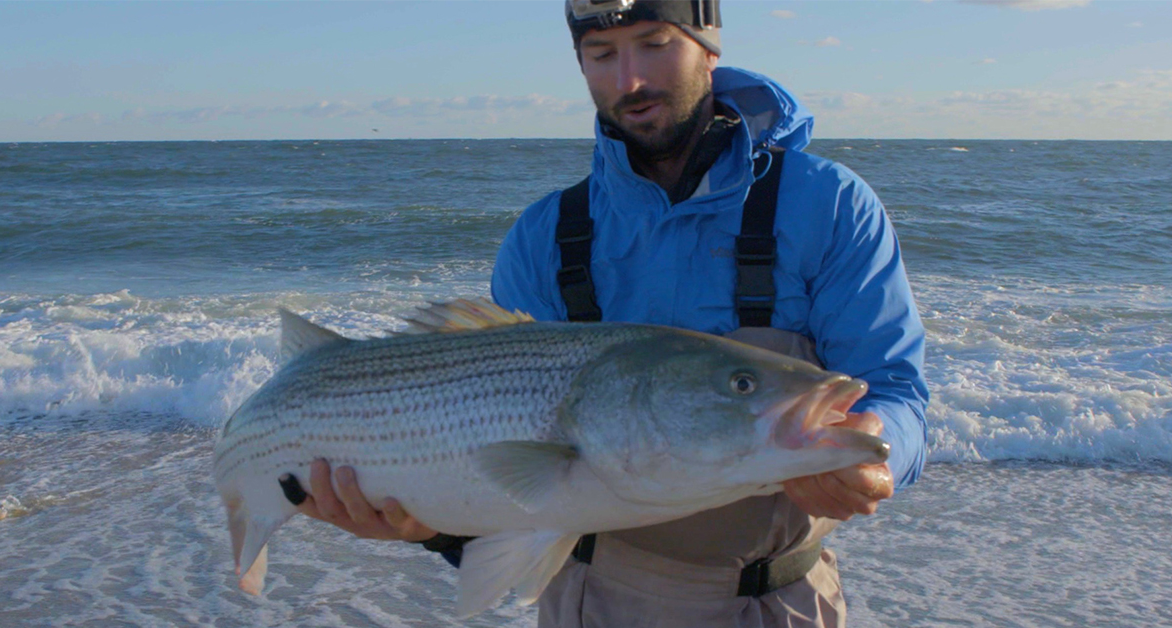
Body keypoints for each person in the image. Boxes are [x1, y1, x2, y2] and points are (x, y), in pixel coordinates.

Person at [282, 1, 928, 626]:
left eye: (654, 44)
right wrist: (432, 529)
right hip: (591, 602)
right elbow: (503, 483)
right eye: (601, 54)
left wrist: (874, 456)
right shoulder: (544, 235)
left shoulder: (829, 204)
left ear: (708, 47)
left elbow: (895, 391)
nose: (630, 80)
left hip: (779, 603)